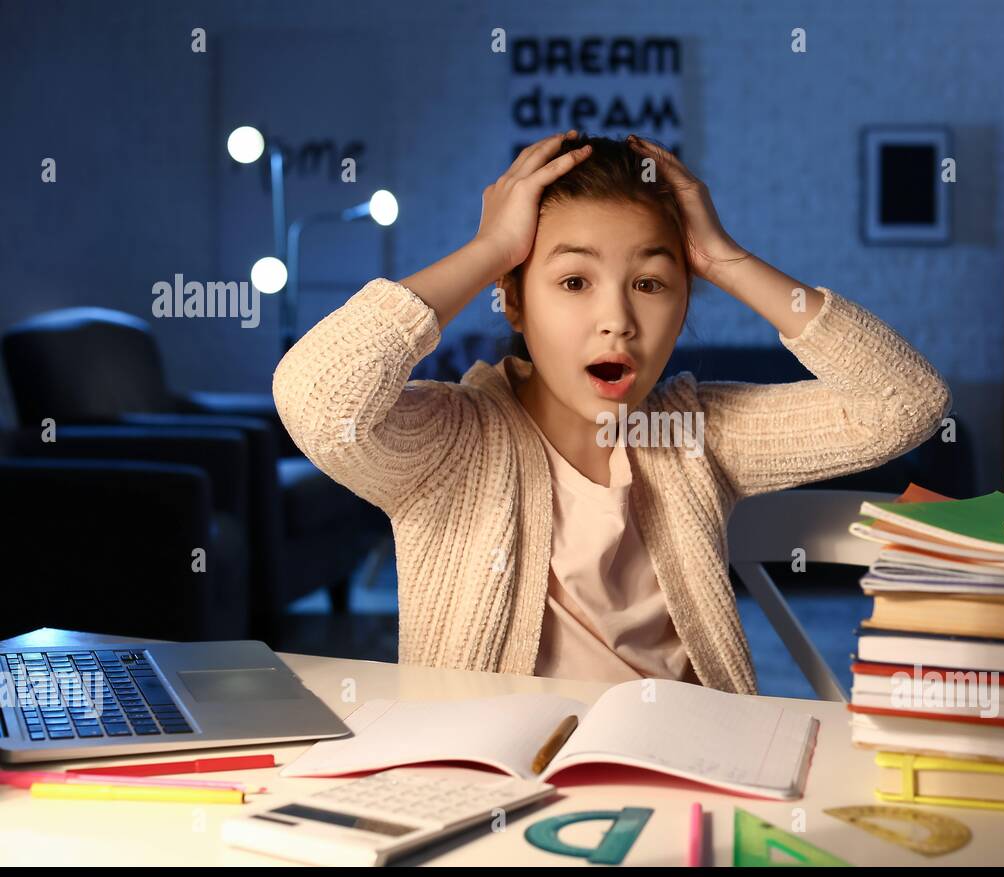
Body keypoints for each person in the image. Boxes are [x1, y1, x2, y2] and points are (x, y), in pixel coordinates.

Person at [271, 130, 952, 694]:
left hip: (689, 769)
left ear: (684, 303)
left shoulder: (696, 436)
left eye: (651, 284)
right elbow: (316, 394)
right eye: (573, 281)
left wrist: (726, 258)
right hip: (498, 790)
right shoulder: (449, 444)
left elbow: (905, 402)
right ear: (512, 300)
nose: (617, 321)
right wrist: (487, 254)